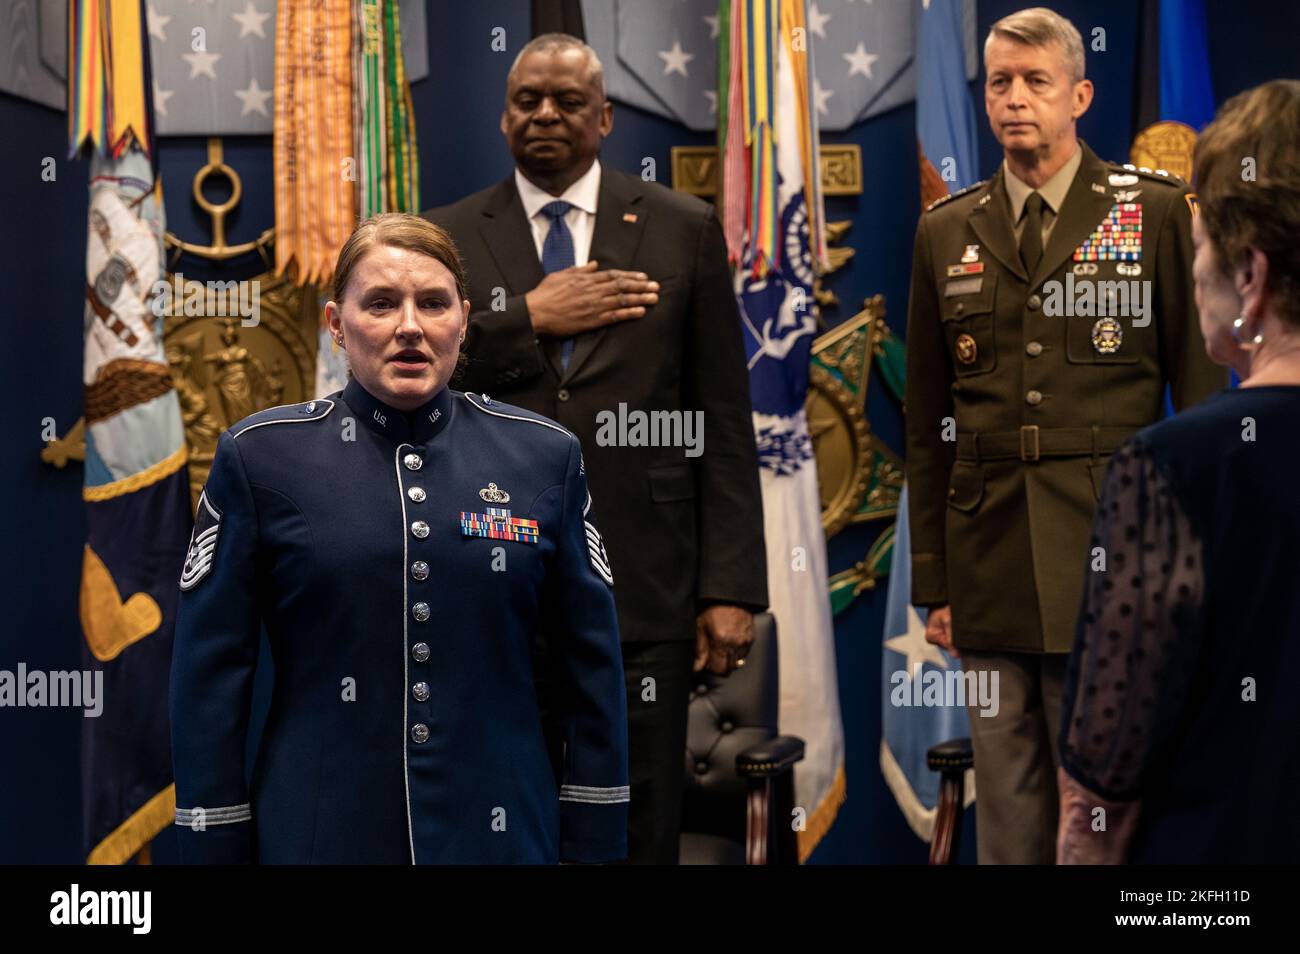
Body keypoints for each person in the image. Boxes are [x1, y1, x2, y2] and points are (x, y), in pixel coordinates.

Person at [169, 213, 629, 864]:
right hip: (319, 833)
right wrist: (213, 842)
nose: (409, 325)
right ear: (336, 323)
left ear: (463, 321)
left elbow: (593, 671)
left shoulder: (541, 456)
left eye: (433, 303)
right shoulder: (263, 458)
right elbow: (209, 676)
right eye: (381, 303)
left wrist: (596, 838)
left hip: (501, 835)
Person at [423, 34, 767, 864]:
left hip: (644, 584)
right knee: (504, 817)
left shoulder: (681, 228)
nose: (545, 114)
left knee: (638, 823)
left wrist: (728, 587)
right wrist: (527, 319)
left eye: (567, 101)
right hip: (489, 576)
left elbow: (719, 415)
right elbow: (414, 381)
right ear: (503, 116)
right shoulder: (447, 235)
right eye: (528, 100)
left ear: (605, 118)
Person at [904, 7, 1224, 864]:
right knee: (1008, 815)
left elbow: (1198, 412)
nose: (1014, 100)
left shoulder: (1152, 214)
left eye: (1035, 82)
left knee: (1109, 807)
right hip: (988, 561)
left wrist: (1194, 567)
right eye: (1000, 83)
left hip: (1114, 553)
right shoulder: (946, 230)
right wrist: (933, 581)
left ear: (1078, 94)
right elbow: (929, 427)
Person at [1058, 79, 1300, 864]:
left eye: (1199, 248)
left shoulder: (1169, 467)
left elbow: (1103, 789)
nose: (1195, 272)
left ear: (1252, 278)